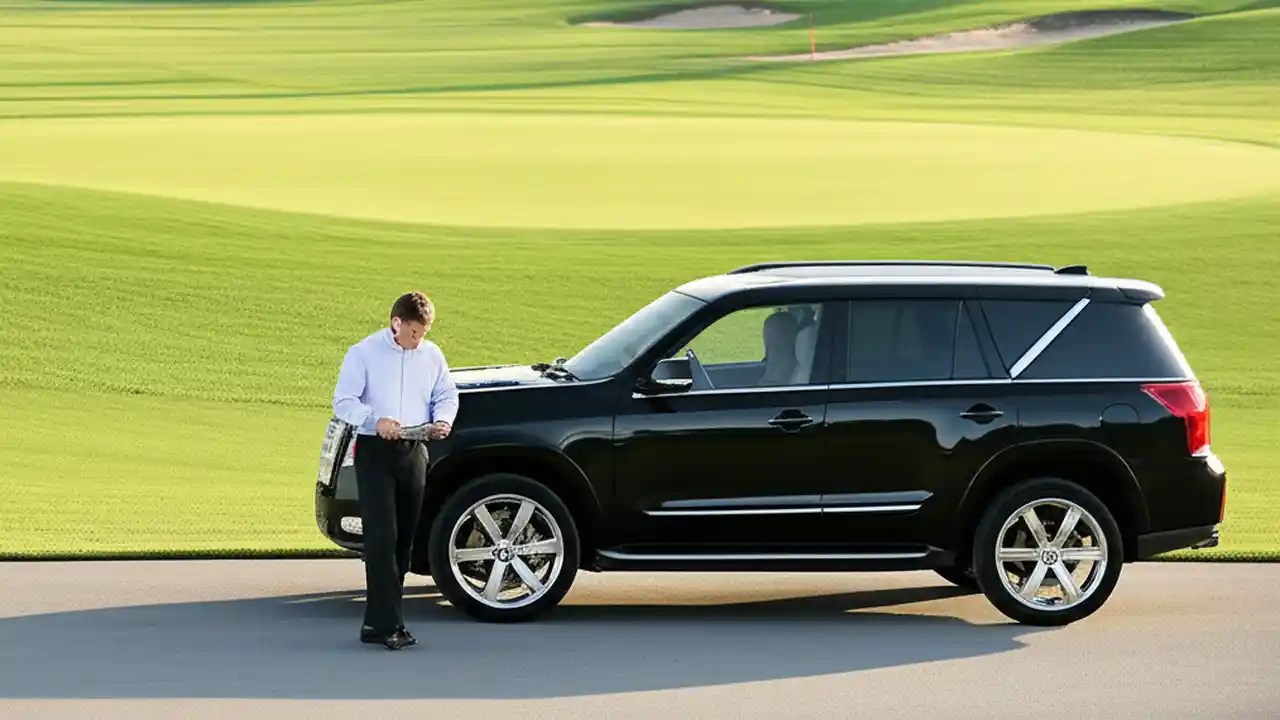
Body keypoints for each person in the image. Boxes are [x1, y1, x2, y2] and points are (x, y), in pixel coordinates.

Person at [332, 292, 459, 650]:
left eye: (425, 332)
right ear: (396, 323)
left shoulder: (431, 355)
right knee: (382, 539)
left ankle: (380, 622)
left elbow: (446, 394)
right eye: (415, 331)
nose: (419, 339)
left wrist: (443, 421)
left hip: (414, 451)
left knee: (404, 541)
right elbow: (343, 402)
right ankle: (388, 625)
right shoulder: (364, 353)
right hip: (375, 452)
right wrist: (375, 419)